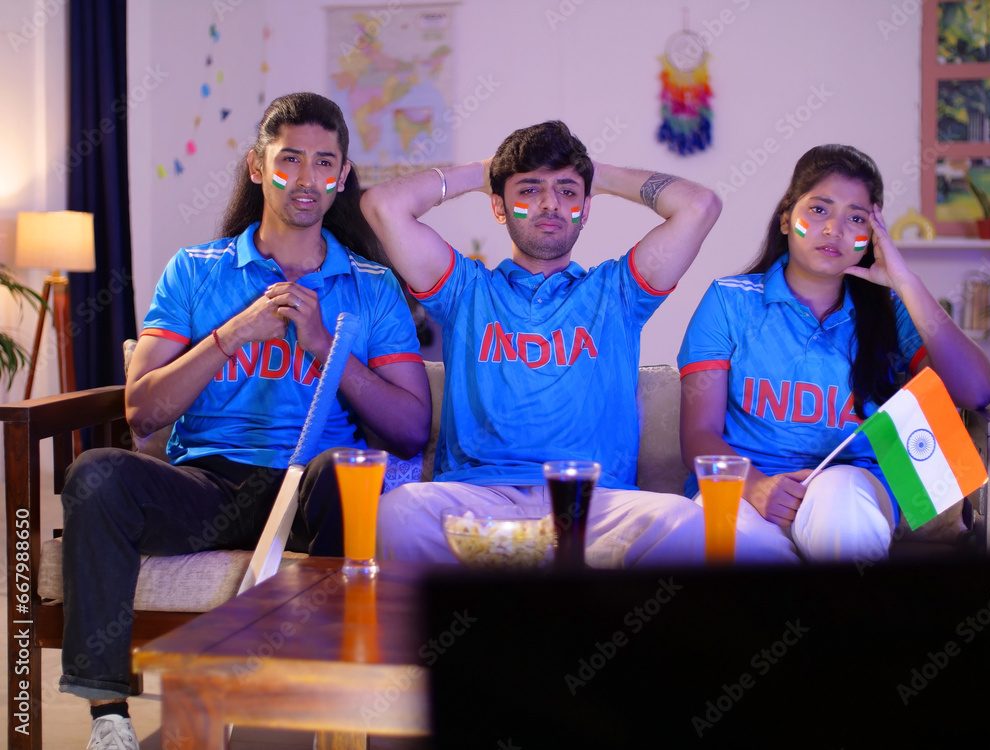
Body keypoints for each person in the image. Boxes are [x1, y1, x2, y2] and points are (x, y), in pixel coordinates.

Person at [59, 92, 431, 748]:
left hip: (311, 488)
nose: (307, 179)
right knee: (95, 475)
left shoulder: (373, 285)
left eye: (324, 163)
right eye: (290, 159)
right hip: (207, 485)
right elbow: (142, 410)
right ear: (258, 168)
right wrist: (235, 331)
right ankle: (109, 718)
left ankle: (298, 710)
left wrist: (326, 348)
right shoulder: (195, 271)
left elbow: (409, 429)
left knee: (352, 473)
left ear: (342, 177)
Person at [361, 120, 723, 567]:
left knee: (684, 521)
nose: (550, 204)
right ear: (500, 207)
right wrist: (483, 171)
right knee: (397, 514)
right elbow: (382, 204)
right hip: (483, 502)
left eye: (567, 192)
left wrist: (595, 173)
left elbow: (700, 205)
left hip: (594, 506)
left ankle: (539, 577)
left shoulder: (618, 292)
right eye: (529, 190)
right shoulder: (464, 290)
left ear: (586, 209)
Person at [678, 144, 990, 563]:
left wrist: (904, 281)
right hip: (746, 489)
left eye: (857, 219)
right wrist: (757, 487)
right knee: (730, 542)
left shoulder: (892, 310)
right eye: (820, 210)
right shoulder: (729, 301)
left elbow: (977, 392)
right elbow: (698, 433)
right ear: (787, 217)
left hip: (858, 488)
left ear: (872, 236)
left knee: (840, 498)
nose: (835, 230)